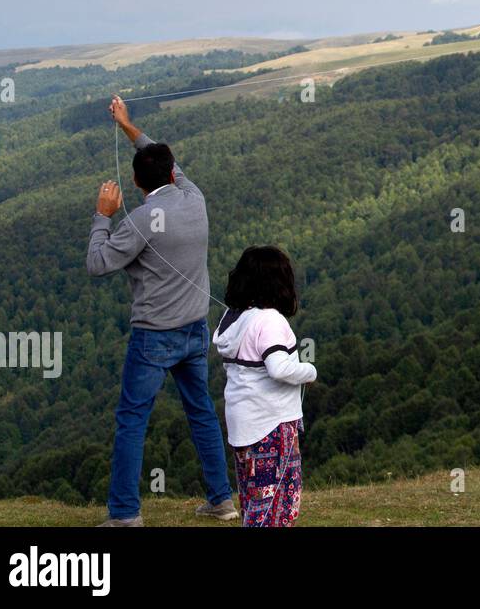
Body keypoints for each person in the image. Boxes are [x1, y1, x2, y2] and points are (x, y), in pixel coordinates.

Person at [87, 95, 236, 526]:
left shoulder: (139, 220)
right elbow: (159, 157)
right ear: (173, 173)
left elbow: (97, 264)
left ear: (136, 184)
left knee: (132, 421)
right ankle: (222, 500)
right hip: (194, 329)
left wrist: (102, 216)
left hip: (154, 335)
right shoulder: (194, 197)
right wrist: (129, 126)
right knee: (202, 411)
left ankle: (124, 515)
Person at [213, 246, 317, 527]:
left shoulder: (232, 318)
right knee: (278, 505)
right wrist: (308, 370)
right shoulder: (269, 320)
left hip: (242, 423)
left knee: (253, 500)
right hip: (272, 424)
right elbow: (278, 368)